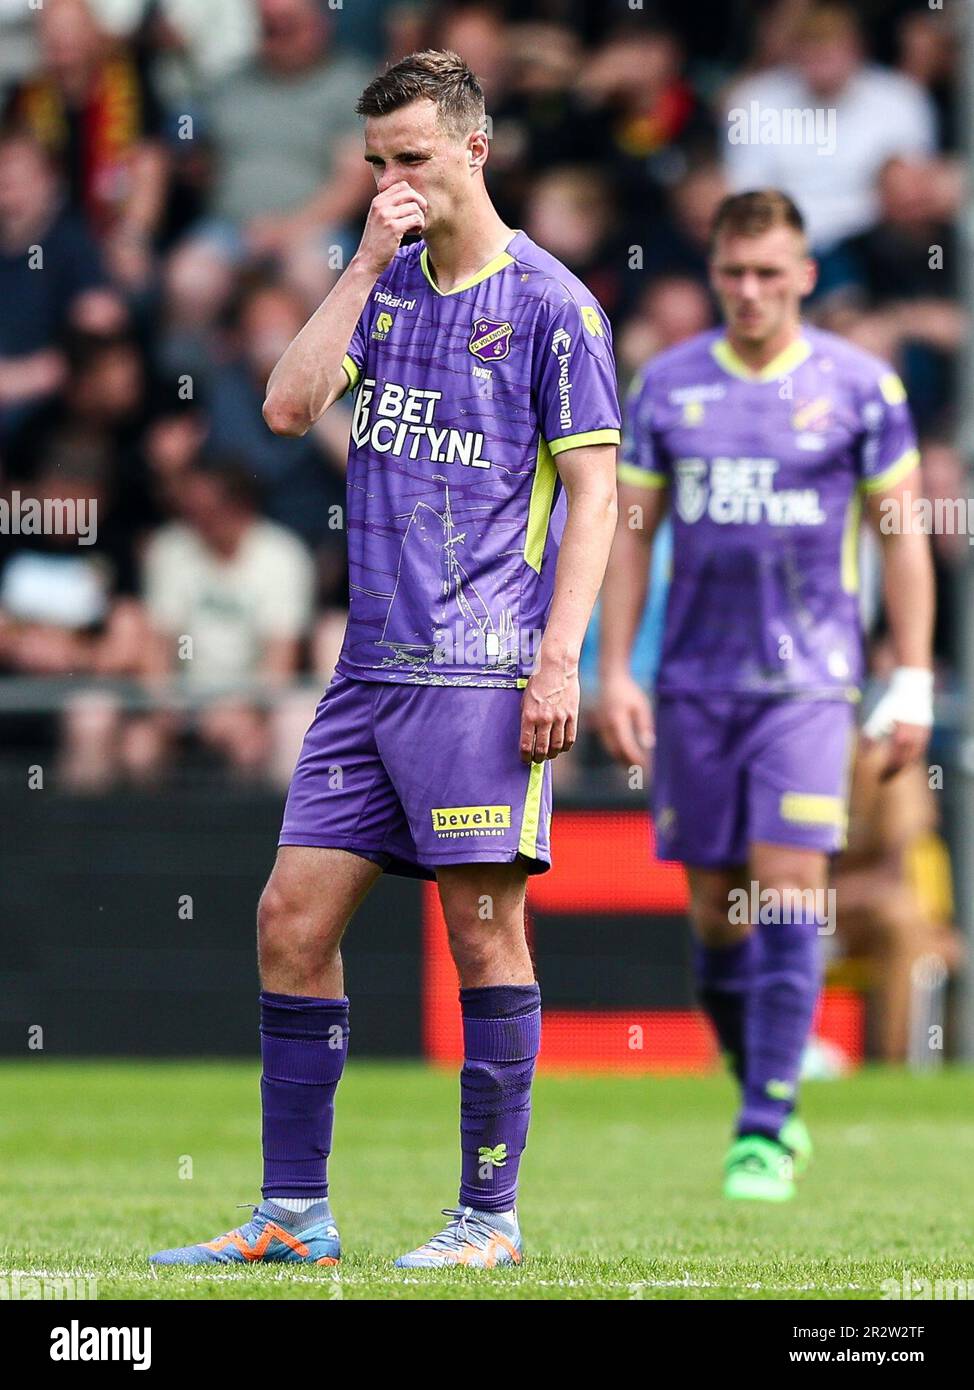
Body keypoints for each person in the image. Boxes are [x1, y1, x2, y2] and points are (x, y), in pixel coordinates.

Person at [150, 48, 620, 1270]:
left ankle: (487, 1219)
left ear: (475, 148)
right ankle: (295, 1214)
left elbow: (596, 499)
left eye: (410, 158)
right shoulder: (387, 286)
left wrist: (560, 658)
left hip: (482, 666)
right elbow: (286, 408)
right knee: (288, 922)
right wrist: (359, 260)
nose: (392, 182)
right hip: (369, 674)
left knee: (481, 937)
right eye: (374, 164)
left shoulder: (552, 306)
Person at [597, 189, 934, 1202]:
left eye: (768, 272)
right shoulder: (666, 386)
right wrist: (614, 668)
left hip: (808, 683)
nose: (749, 291)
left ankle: (761, 1122)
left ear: (801, 275)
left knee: (788, 881)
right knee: (713, 908)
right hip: (694, 683)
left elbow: (899, 537)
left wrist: (907, 672)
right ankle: (762, 1079)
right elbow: (628, 534)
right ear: (714, 274)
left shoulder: (859, 388)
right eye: (731, 274)